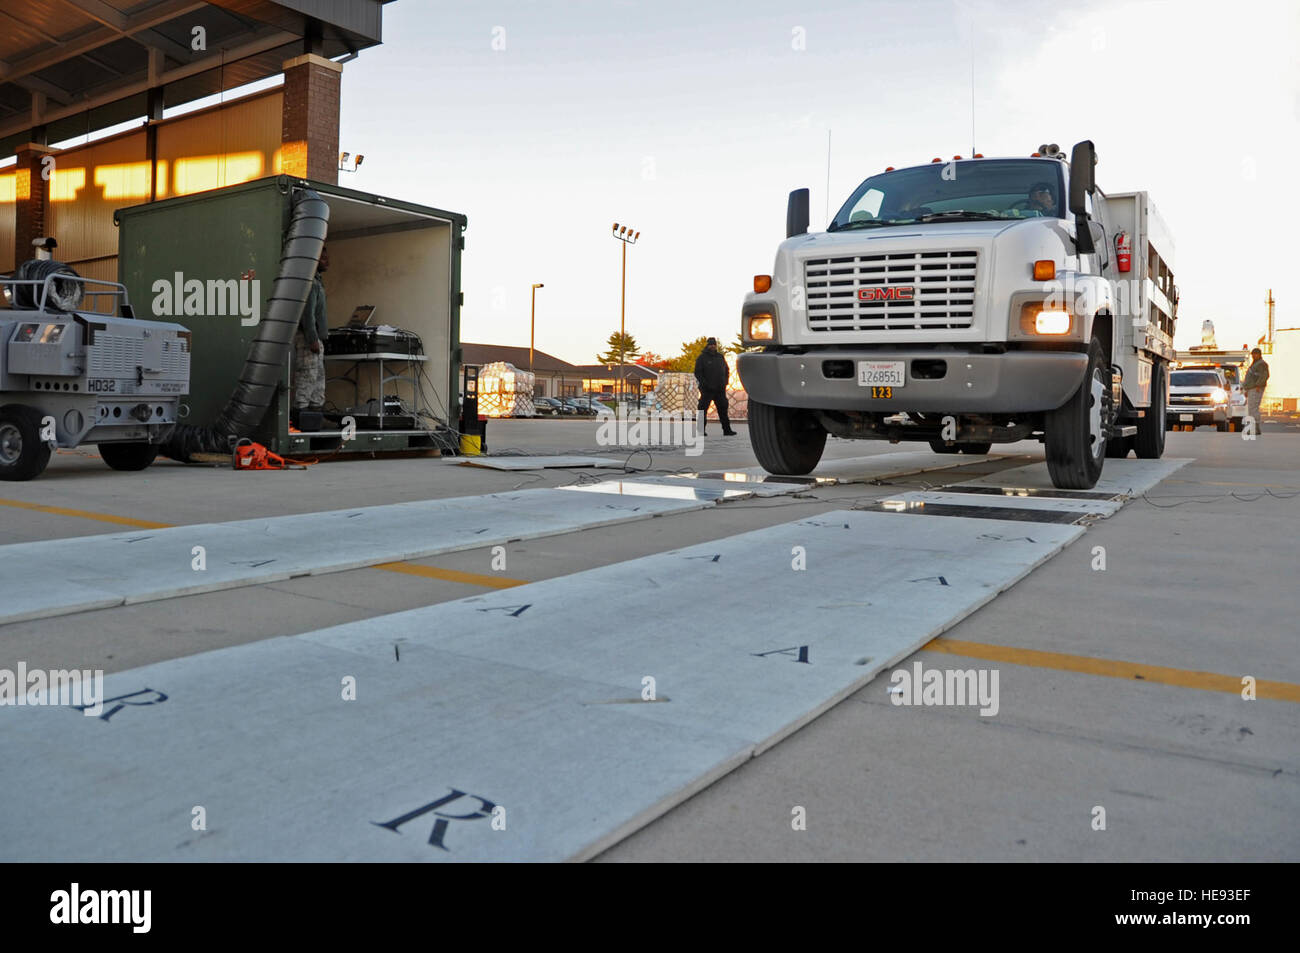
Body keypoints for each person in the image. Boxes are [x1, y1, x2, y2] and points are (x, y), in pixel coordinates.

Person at [293, 245, 329, 423]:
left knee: (318, 380)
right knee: (307, 377)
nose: (327, 260)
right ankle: (302, 418)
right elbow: (308, 315)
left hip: (316, 339)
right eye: (323, 257)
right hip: (309, 339)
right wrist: (312, 338)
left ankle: (315, 418)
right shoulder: (311, 283)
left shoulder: (318, 281)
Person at [693, 337, 736, 436]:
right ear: (707, 345)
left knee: (723, 410)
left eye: (714, 344)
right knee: (702, 410)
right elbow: (698, 373)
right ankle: (700, 431)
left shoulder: (720, 357)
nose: (712, 346)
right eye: (710, 344)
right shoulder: (701, 358)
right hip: (707, 390)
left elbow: (726, 370)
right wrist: (705, 385)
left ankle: (727, 430)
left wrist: (725, 382)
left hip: (720, 390)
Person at [1242, 347, 1270, 436]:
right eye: (1253, 354)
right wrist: (1246, 389)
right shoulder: (1255, 364)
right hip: (1251, 388)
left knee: (1253, 408)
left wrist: (1258, 385)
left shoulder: (1261, 364)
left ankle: (1254, 428)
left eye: (1256, 354)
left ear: (1259, 354)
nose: (1254, 356)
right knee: (1251, 408)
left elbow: (1265, 375)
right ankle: (1255, 428)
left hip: (1256, 388)